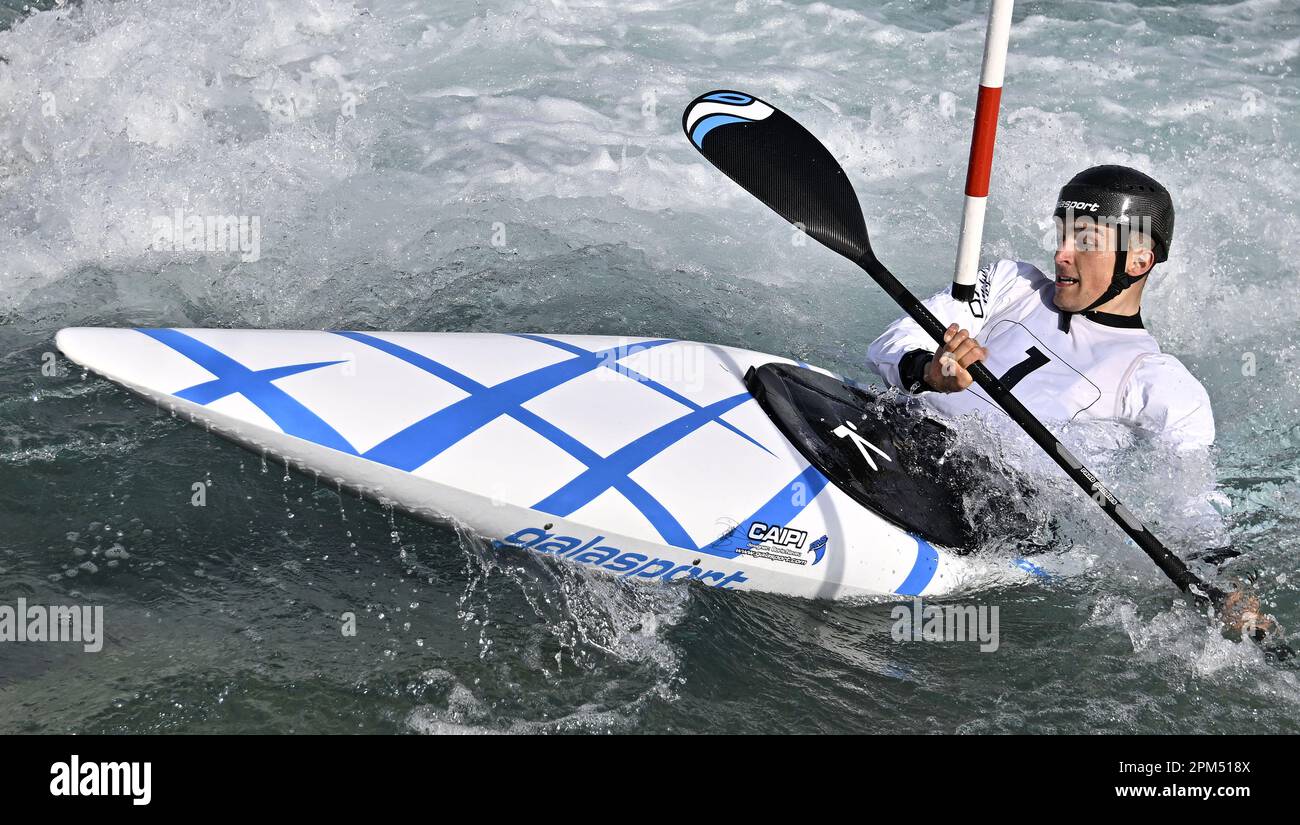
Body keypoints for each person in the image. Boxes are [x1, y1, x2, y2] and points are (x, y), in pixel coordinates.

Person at [867, 165, 1214, 451]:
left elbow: (1190, 500)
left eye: (1086, 241)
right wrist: (927, 371)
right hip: (895, 431)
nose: (1061, 254)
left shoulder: (1156, 378)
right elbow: (888, 343)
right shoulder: (1012, 283)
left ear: (1138, 261)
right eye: (1062, 235)